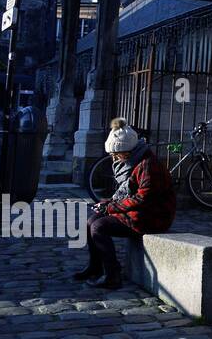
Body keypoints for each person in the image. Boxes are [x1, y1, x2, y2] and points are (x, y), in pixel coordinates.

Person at [74, 118, 176, 289]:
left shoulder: (148, 166)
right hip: (141, 211)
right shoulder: (134, 162)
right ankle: (96, 267)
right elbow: (128, 194)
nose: (114, 158)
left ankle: (112, 275)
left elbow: (143, 199)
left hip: (154, 216)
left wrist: (110, 207)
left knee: (99, 227)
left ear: (127, 151)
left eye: (116, 154)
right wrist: (107, 204)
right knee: (90, 221)